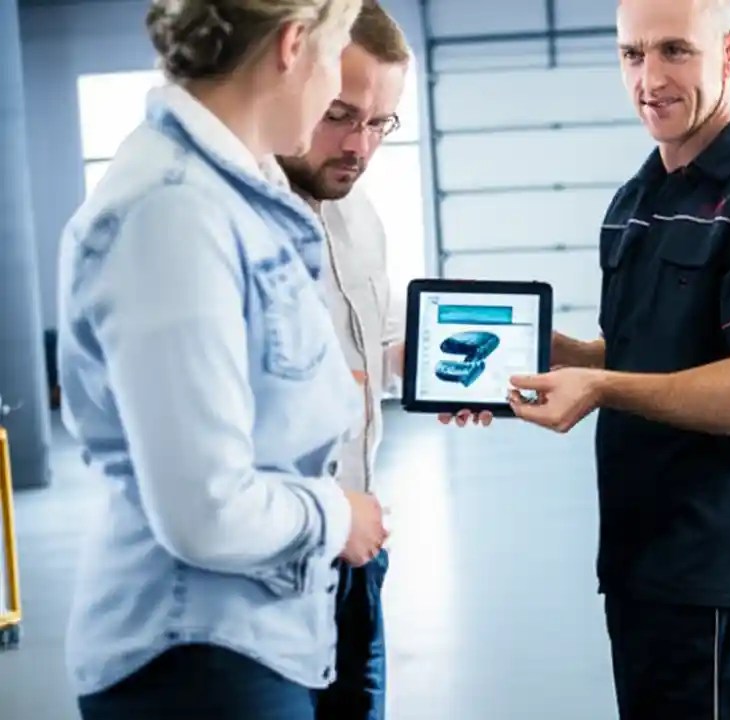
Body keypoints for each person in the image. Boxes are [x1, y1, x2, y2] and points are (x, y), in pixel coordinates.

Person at [56, 0, 390, 717]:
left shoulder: (237, 194)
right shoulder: (173, 212)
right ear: (295, 45)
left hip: (251, 637)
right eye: (333, 63)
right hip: (197, 657)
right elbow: (204, 508)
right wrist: (338, 513)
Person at [506, 0, 730, 716]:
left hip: (715, 572)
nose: (648, 78)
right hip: (638, 561)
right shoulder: (638, 195)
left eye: (674, 52)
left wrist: (600, 386)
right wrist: (548, 352)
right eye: (631, 54)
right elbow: (637, 355)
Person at [275, 2, 408, 716]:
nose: (360, 145)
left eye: (380, 123)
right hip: (275, 566)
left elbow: (384, 345)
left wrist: (453, 370)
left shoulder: (359, 215)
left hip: (359, 548)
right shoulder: (240, 222)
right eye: (340, 114)